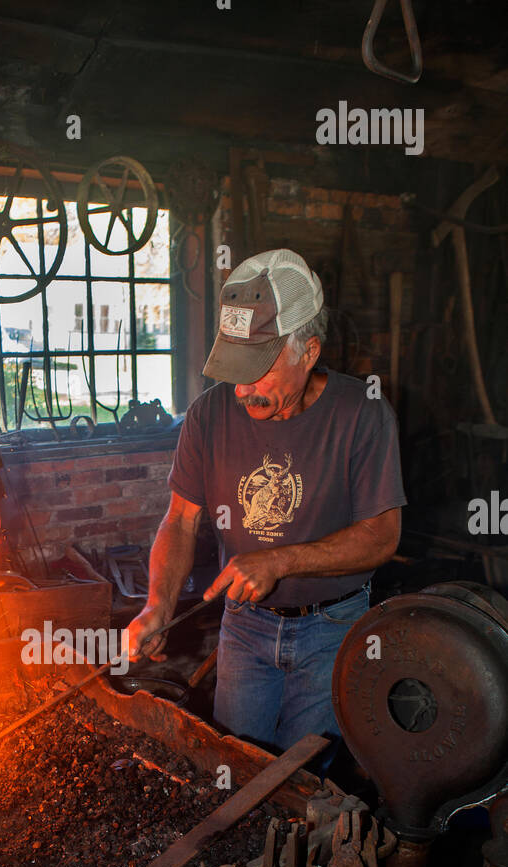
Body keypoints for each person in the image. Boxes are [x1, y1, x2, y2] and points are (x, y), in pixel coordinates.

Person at [127, 247, 406, 752]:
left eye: (258, 370)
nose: (242, 391)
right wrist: (157, 604)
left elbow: (381, 537)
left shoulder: (362, 414)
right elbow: (181, 521)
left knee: (307, 782)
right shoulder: (208, 416)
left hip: (333, 628)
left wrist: (279, 560)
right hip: (245, 627)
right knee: (234, 769)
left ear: (310, 351)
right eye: (235, 370)